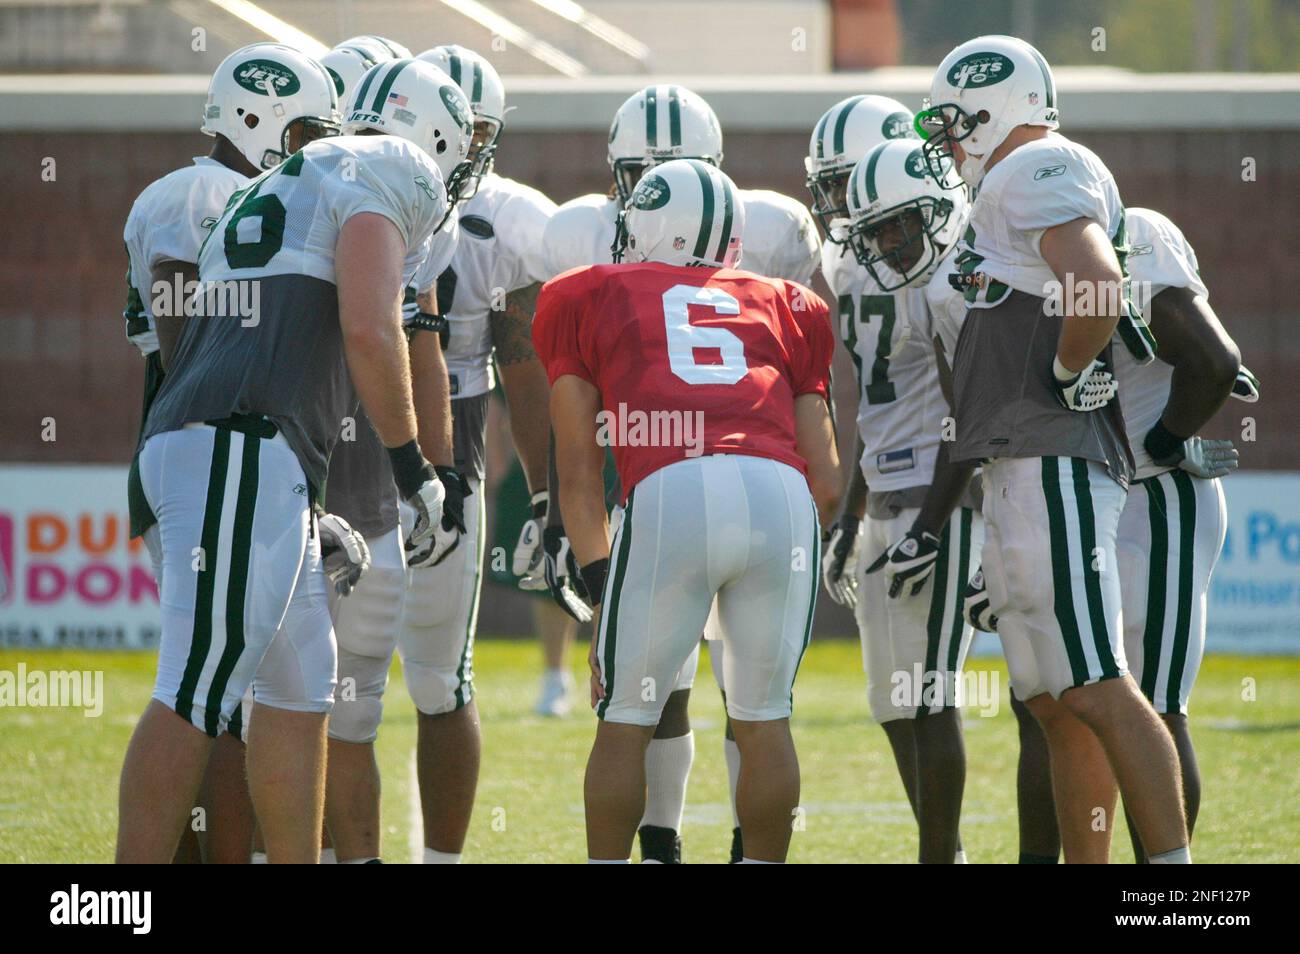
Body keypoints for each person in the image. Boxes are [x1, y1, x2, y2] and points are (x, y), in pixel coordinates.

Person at [116, 53, 458, 863]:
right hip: (237, 441)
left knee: (303, 682)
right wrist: (412, 469)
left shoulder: (266, 192)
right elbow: (370, 328)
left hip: (240, 448)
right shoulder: (391, 167)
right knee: (197, 688)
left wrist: (300, 496)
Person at [886, 34, 1190, 863]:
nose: (947, 140)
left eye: (953, 120)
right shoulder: (1009, 186)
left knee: (1097, 683)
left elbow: (1095, 285)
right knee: (1057, 701)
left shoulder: (1032, 165)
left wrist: (1062, 373)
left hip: (1053, 462)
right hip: (1018, 467)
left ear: (993, 108)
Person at [542, 83, 821, 863]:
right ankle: (691, 845)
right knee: (758, 710)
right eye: (640, 173)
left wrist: (594, 567)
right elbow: (820, 443)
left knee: (629, 707)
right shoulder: (782, 289)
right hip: (774, 487)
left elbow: (574, 459)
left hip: (661, 486)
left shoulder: (583, 284)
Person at [316, 55, 474, 864]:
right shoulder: (374, 188)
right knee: (303, 712)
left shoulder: (301, 180)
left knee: (315, 709)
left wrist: (431, 472)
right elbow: (387, 335)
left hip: (331, 477)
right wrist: (423, 471)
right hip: (318, 475)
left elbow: (421, 341)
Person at [823, 138, 980, 863]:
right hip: (884, 493)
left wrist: (933, 524)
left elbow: (966, 415)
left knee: (931, 692)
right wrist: (851, 513)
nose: (884, 239)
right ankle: (946, 852)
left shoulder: (948, 273)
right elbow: (871, 406)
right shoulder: (862, 266)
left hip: (938, 495)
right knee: (892, 701)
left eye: (895, 222)